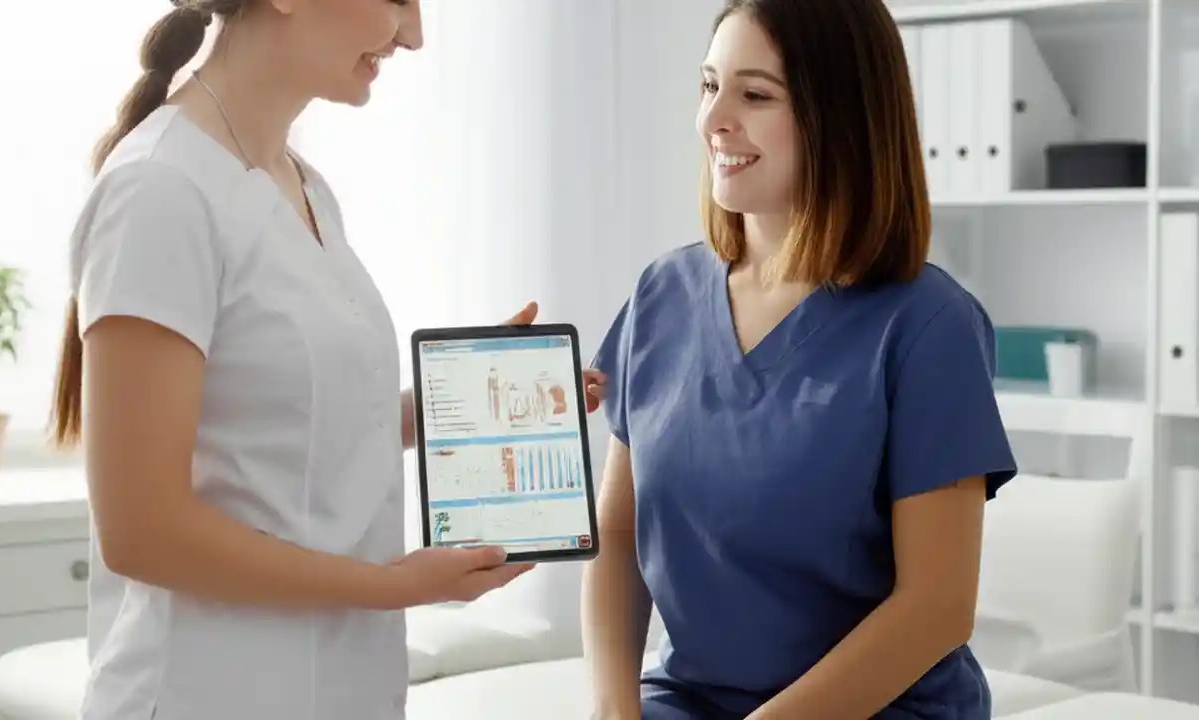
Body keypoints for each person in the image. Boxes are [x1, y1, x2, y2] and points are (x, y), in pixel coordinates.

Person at [49, 2, 604, 719]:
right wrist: (398, 586)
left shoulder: (303, 186)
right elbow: (143, 534)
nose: (414, 35)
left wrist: (468, 398)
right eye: (398, 0)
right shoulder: (158, 190)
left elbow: (292, 425)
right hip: (208, 693)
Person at [581, 0, 1018, 718]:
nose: (714, 119)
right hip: (690, 701)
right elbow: (621, 532)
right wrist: (612, 710)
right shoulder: (661, 294)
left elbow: (936, 607)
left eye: (755, 95)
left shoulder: (927, 325)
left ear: (840, 118)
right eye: (709, 85)